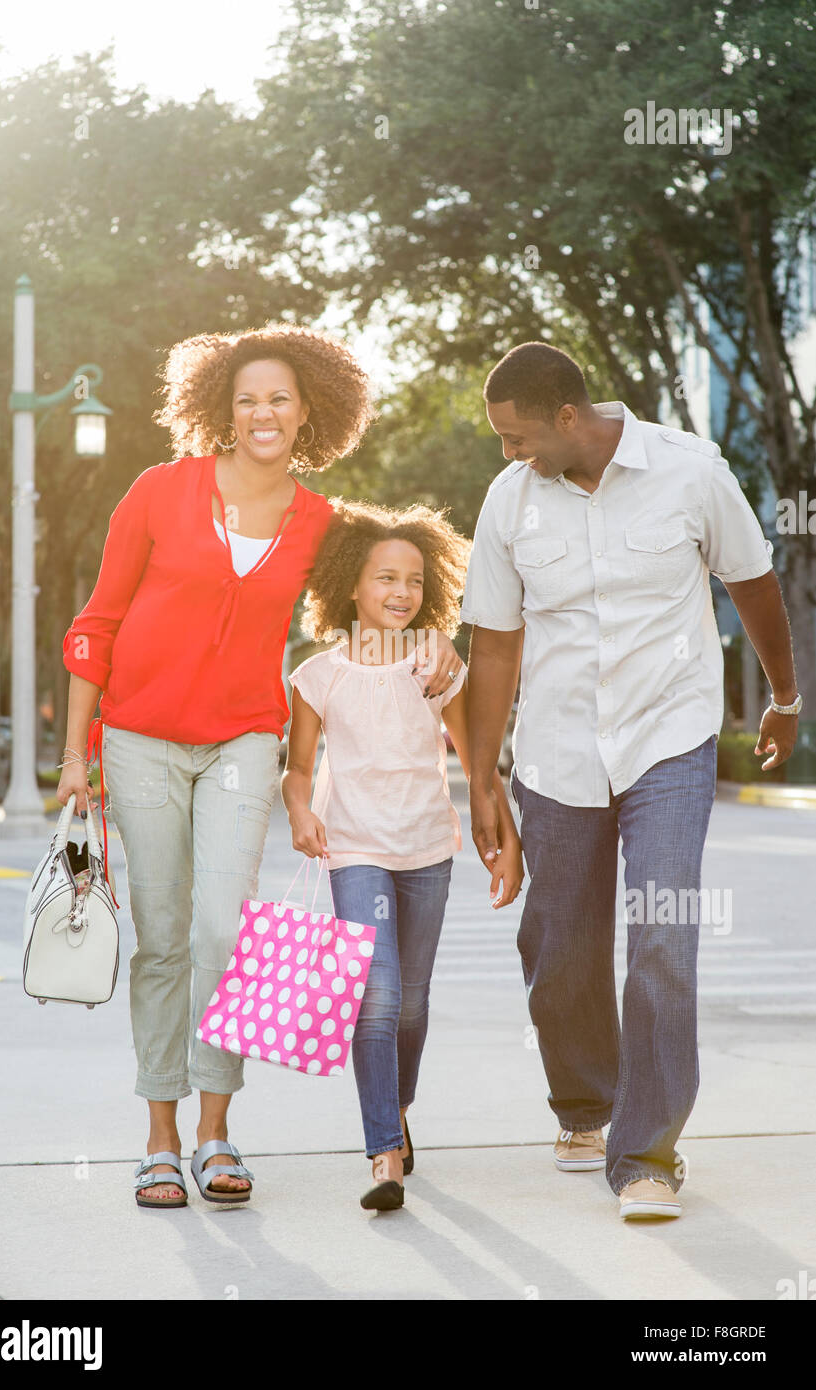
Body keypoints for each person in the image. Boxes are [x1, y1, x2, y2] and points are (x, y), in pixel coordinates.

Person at [57, 325, 462, 1209]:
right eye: (246, 398)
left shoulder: (321, 523)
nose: (262, 412)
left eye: (279, 397)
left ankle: (215, 1132)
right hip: (139, 738)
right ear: (220, 408)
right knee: (163, 938)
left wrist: (435, 645)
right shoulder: (161, 492)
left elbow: (390, 581)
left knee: (220, 933)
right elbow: (98, 621)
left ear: (309, 409)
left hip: (244, 739)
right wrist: (73, 753)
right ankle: (160, 1137)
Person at [462, 341, 800, 1221]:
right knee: (557, 947)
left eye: (517, 435)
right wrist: (481, 779)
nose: (509, 453)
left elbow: (752, 579)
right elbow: (493, 643)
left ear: (568, 417)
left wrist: (784, 695)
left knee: (661, 933)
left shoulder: (689, 470)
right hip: (554, 749)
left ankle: (646, 1152)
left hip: (669, 737)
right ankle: (584, 1105)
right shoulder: (509, 501)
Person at [282, 499, 524, 1210]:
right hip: (352, 845)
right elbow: (298, 770)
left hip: (425, 845)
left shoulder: (432, 662)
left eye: (414, 581)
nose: (400, 592)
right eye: (385, 578)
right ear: (349, 586)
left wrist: (496, 831)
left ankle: (399, 1108)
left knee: (411, 1003)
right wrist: (300, 808)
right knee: (376, 994)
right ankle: (383, 1151)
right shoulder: (317, 675)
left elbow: (473, 757)